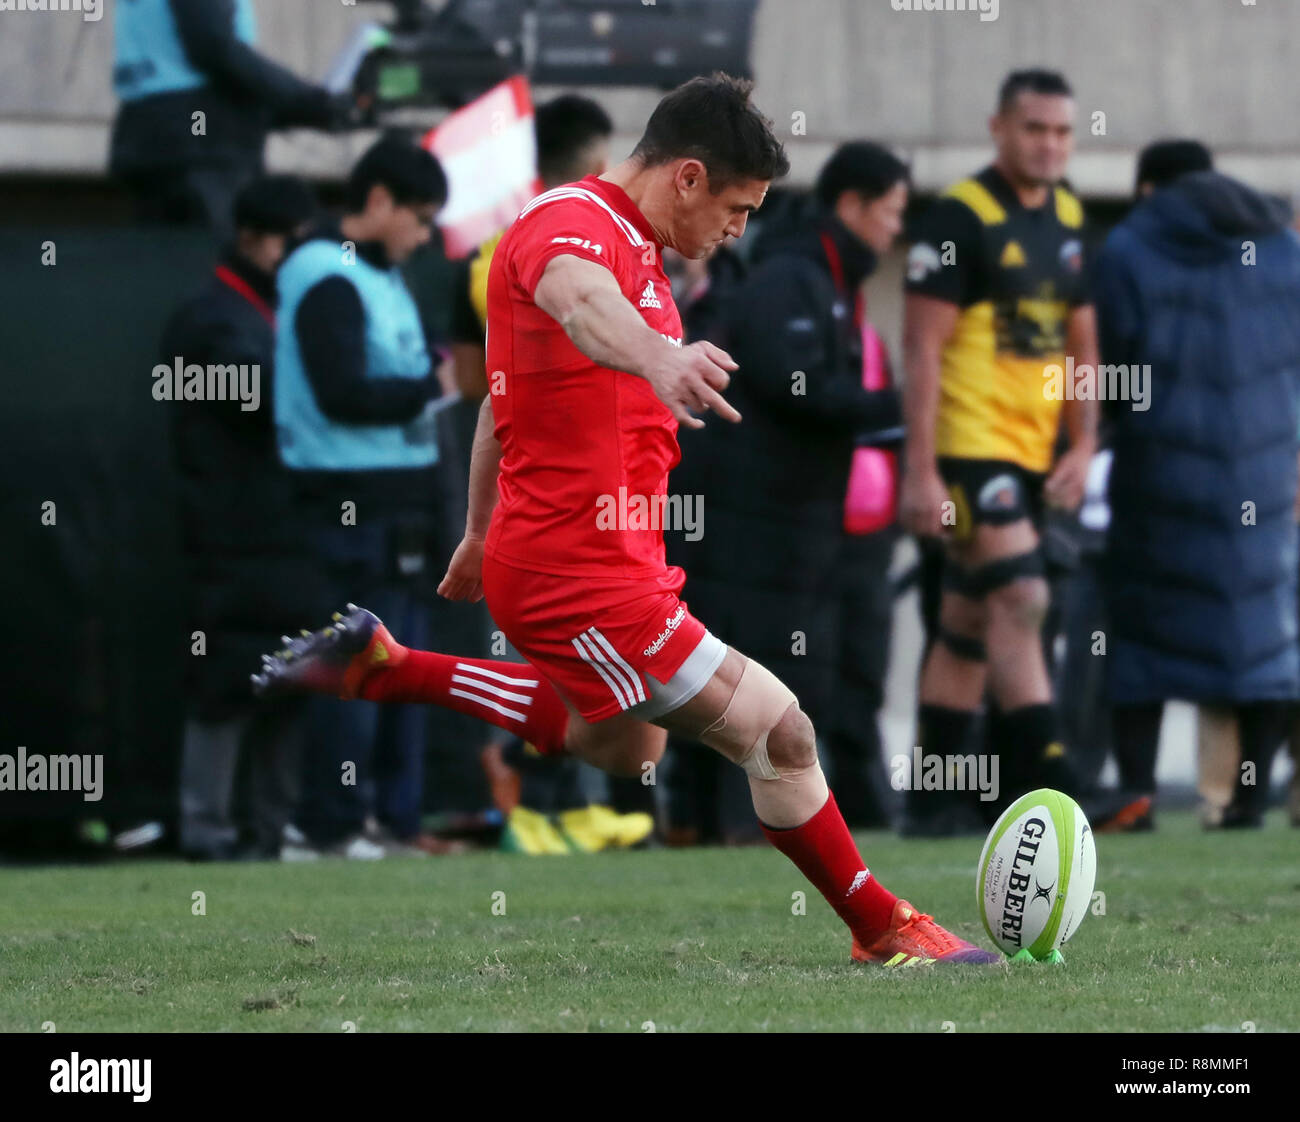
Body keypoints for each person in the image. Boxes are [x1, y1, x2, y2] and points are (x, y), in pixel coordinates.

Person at [256, 74, 999, 966]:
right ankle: (882, 926)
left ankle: (390, 668)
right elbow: (576, 297)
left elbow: (501, 402)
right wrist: (660, 357)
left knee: (622, 743)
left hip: (599, 559)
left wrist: (479, 533)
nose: (738, 229)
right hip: (583, 577)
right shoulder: (571, 226)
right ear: (687, 176)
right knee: (781, 730)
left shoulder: (639, 247)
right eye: (735, 207)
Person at [899, 68, 1150, 836]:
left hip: (1033, 455)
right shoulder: (959, 216)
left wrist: (1082, 442)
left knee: (968, 622)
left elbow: (1082, 340)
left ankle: (934, 799)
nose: (1050, 145)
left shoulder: (1069, 215)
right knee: (1023, 598)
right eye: (1035, 129)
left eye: (1063, 132)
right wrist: (922, 471)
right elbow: (921, 348)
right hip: (969, 449)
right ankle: (1055, 781)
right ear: (999, 128)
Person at [664, 141, 907, 841]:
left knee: (793, 685)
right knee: (746, 686)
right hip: (754, 533)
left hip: (791, 530)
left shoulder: (826, 277)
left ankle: (742, 831)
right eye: (890, 213)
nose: (896, 230)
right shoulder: (791, 278)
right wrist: (898, 407)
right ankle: (724, 832)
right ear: (853, 206)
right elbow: (790, 384)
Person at [446, 93, 652, 855]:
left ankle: (573, 804)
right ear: (600, 166)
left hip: (574, 476)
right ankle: (528, 806)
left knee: (593, 660)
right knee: (538, 645)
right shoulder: (534, 245)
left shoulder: (506, 246)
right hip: (532, 474)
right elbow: (496, 373)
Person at [1092, 139, 1300, 829]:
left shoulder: (1127, 247)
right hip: (1264, 472)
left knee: (1141, 639)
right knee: (1261, 641)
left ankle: (1139, 797)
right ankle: (1247, 802)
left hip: (1160, 467)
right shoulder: (1279, 244)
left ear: (1150, 187)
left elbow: (1111, 361)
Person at [272, 136, 451, 858]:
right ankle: (328, 825)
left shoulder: (383, 276)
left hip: (400, 504)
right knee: (356, 665)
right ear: (377, 201)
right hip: (348, 505)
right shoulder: (326, 274)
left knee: (402, 664)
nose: (426, 233)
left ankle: (388, 820)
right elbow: (342, 391)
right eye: (420, 215)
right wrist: (428, 388)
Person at [164, 175, 319, 860]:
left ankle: (269, 829)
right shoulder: (210, 318)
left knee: (294, 679)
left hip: (290, 535)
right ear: (255, 239)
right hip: (232, 536)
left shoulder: (274, 311)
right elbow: (255, 397)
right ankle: (207, 833)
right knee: (226, 682)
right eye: (292, 243)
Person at [111, 0, 347, 240]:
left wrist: (315, 108)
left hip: (156, 137)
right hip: (202, 147)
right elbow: (212, 46)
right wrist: (316, 103)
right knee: (213, 262)